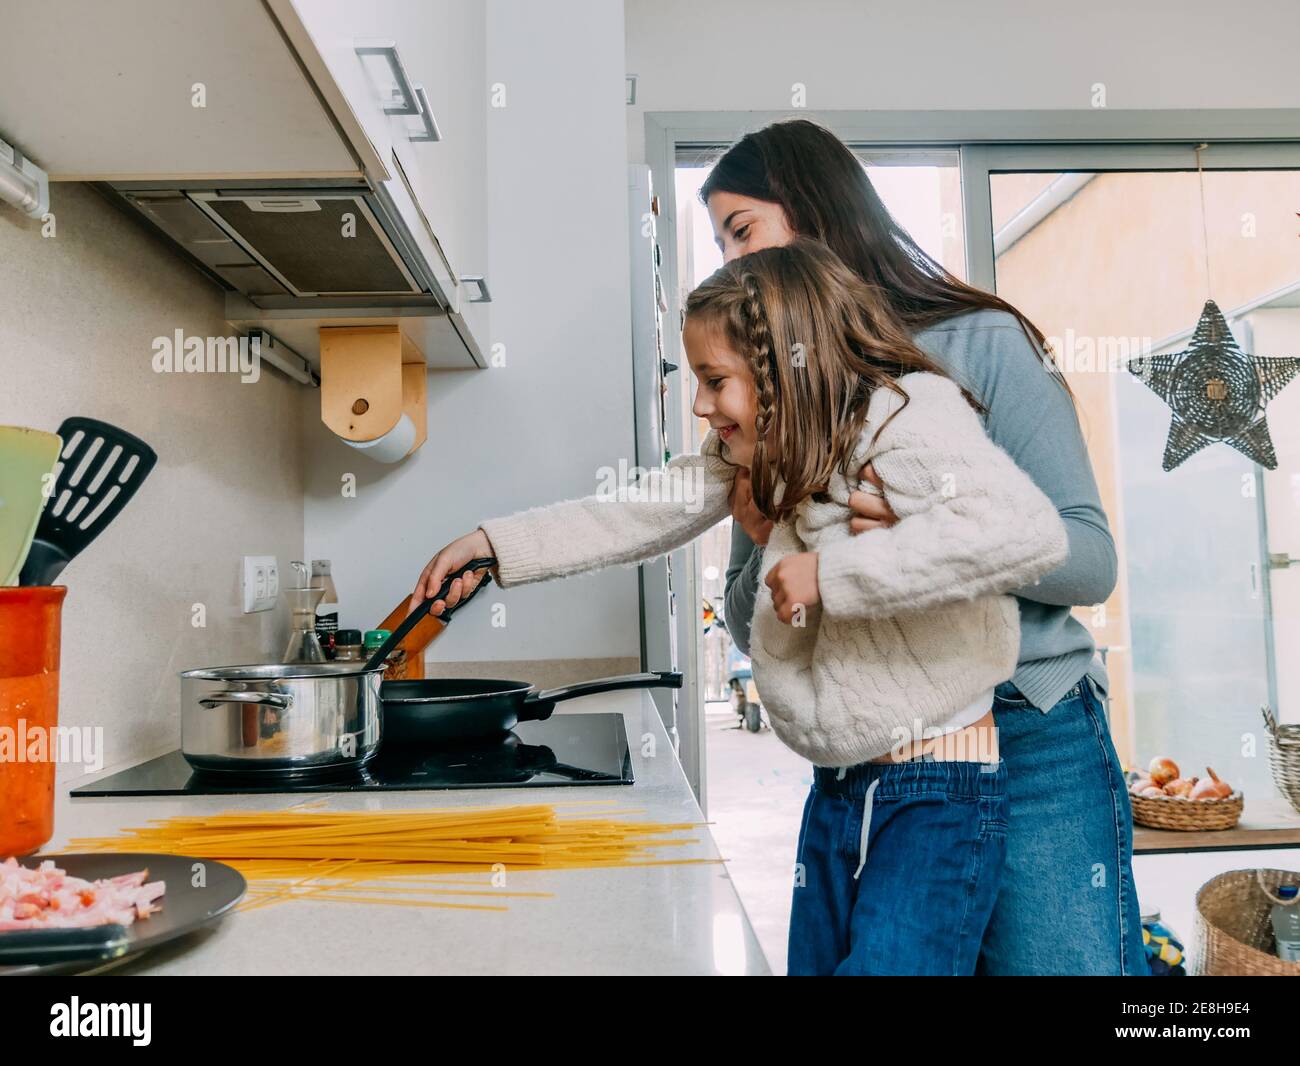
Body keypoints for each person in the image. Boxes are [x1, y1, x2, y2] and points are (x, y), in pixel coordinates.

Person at [409, 238, 1069, 975]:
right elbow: (633, 511)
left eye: (714, 380)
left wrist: (835, 575)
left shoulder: (905, 415)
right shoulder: (768, 448)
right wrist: (493, 546)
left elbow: (1025, 534)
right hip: (842, 786)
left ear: (789, 367)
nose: (701, 404)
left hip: (939, 788)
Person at [702, 119, 1146, 976]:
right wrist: (766, 542)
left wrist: (927, 543)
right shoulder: (777, 390)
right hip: (877, 751)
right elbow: (749, 617)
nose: (730, 266)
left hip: (1027, 733)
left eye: (742, 232)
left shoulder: (979, 344)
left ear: (813, 211)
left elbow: (1089, 559)